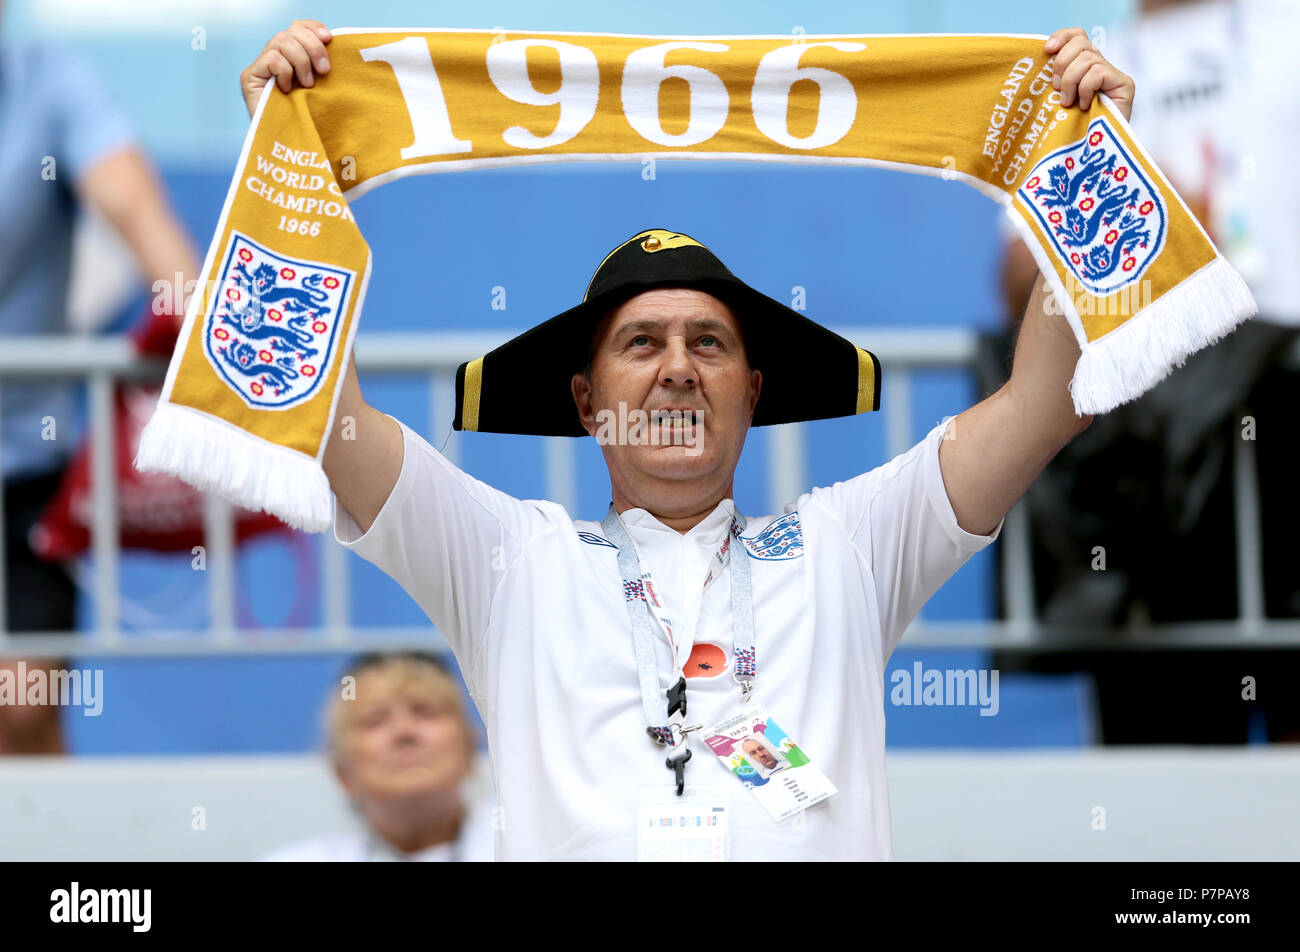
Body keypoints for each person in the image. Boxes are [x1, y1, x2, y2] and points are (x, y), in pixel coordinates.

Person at [241, 22, 1132, 860]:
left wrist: (1088, 170)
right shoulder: (510, 558)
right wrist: (291, 170)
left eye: (708, 342)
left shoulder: (847, 542)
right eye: (641, 343)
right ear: (588, 403)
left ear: (751, 392)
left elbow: (1046, 400)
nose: (677, 368)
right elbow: (324, 413)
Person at [989, 0, 1300, 744]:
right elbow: (1014, 279)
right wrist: (1105, 185)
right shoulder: (1077, 74)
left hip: (1283, 467)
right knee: (1171, 784)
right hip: (1155, 499)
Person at [0, 23, 199, 754]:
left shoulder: (46, 75)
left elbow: (135, 209)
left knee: (19, 708)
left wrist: (201, 323)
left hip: (21, 472)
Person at [263, 652, 494, 861]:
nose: (404, 732)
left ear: (470, 748)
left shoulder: (523, 842)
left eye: (425, 711)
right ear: (342, 772)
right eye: (376, 720)